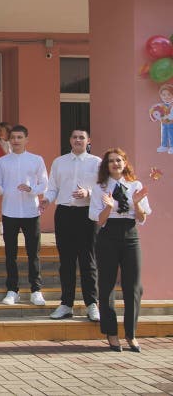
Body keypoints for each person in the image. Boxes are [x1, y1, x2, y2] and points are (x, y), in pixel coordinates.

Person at [89, 148, 151, 352]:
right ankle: (111, 333)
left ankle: (131, 334)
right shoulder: (100, 187)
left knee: (134, 286)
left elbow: (142, 218)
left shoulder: (135, 185)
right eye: (111, 161)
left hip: (131, 235)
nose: (115, 164)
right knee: (107, 285)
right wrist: (108, 206)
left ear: (125, 163)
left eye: (119, 160)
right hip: (108, 236)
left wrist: (137, 204)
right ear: (106, 166)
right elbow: (99, 221)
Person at [42, 129, 101, 322]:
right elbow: (52, 187)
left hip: (87, 214)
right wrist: (46, 200)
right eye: (74, 137)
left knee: (87, 260)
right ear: (70, 140)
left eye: (81, 137)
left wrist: (88, 193)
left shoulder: (96, 162)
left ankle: (92, 304)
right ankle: (66, 304)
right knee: (66, 261)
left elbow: (103, 189)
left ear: (88, 141)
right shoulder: (59, 162)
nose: (77, 140)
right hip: (64, 213)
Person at [0, 125, 48, 306]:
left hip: (31, 211)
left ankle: (36, 290)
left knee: (33, 253)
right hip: (9, 211)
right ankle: (12, 290)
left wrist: (31, 189)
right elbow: (0, 185)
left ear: (26, 139)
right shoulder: (2, 162)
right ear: (9, 140)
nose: (16, 140)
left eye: (19, 137)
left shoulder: (36, 160)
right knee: (10, 253)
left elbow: (44, 184)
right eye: (13, 137)